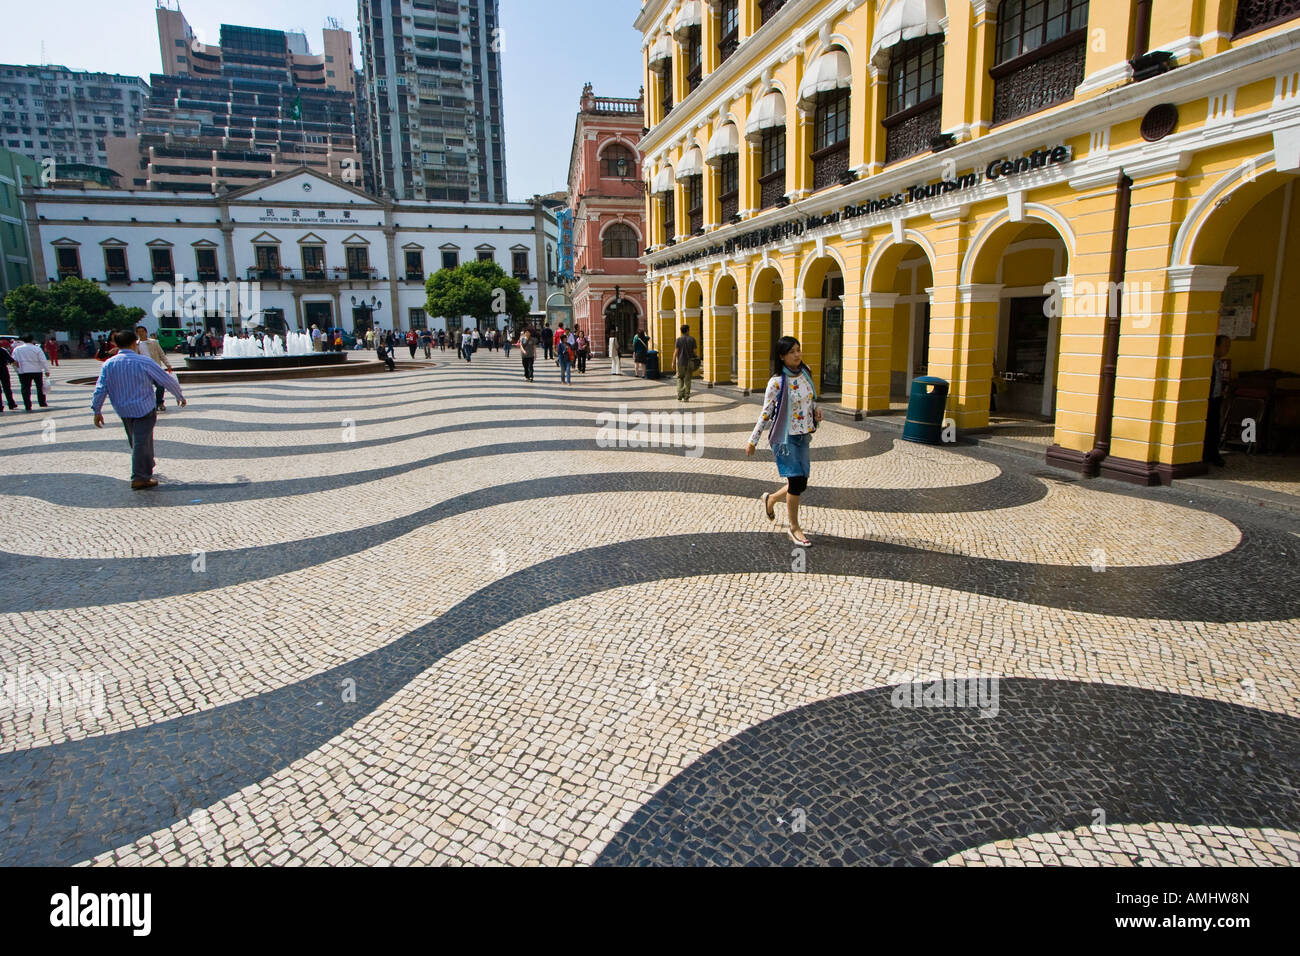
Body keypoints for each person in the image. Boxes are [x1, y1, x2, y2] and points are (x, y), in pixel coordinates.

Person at [746, 336, 822, 548]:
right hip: (784, 438)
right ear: (781, 356)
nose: (797, 354)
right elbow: (766, 412)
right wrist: (753, 440)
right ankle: (794, 527)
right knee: (796, 482)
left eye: (798, 350)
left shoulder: (806, 373)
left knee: (801, 482)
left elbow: (810, 399)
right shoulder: (776, 382)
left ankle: (770, 499)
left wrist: (815, 412)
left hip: (803, 434)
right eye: (792, 352)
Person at [92, 330, 187, 490]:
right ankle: (139, 477)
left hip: (122, 408)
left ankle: (146, 465)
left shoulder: (109, 364)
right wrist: (179, 394)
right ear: (135, 343)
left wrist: (97, 409)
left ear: (116, 344)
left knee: (137, 440)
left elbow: (101, 388)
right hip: (144, 407)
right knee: (141, 441)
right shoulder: (144, 361)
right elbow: (165, 379)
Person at [134, 324, 176, 413]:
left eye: (143, 331)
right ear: (137, 333)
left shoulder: (154, 342)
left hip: (155, 367)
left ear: (146, 332)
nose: (141, 333)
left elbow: (161, 354)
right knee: (145, 389)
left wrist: (167, 364)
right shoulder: (135, 345)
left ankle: (159, 402)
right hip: (142, 369)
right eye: (139, 332)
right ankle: (150, 405)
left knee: (160, 386)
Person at [1204, 334, 1231, 468]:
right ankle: (1208, 454)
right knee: (1207, 427)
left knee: (1214, 427)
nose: (1227, 349)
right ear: (1216, 346)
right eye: (1225, 346)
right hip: (1207, 400)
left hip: (1216, 398)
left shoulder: (1220, 362)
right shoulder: (1208, 362)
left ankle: (1213, 454)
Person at [12, 335, 50, 411]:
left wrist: (17, 370)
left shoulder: (17, 349)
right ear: (32, 340)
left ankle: (27, 405)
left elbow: (14, 361)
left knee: (25, 388)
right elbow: (43, 360)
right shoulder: (37, 349)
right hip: (37, 370)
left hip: (23, 371)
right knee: (39, 387)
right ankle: (42, 402)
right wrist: (46, 370)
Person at [673, 324, 698, 402]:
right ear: (687, 330)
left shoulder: (678, 340)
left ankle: (680, 394)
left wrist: (673, 362)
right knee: (687, 379)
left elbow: (676, 352)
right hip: (690, 362)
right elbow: (695, 351)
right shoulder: (692, 339)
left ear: (681, 331)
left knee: (680, 378)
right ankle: (686, 396)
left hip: (680, 362)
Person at [0, 338, 18, 411]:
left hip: (3, 369)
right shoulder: (2, 350)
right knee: (7, 388)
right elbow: (11, 360)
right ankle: (11, 404)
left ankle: (0, 406)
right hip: (3, 370)